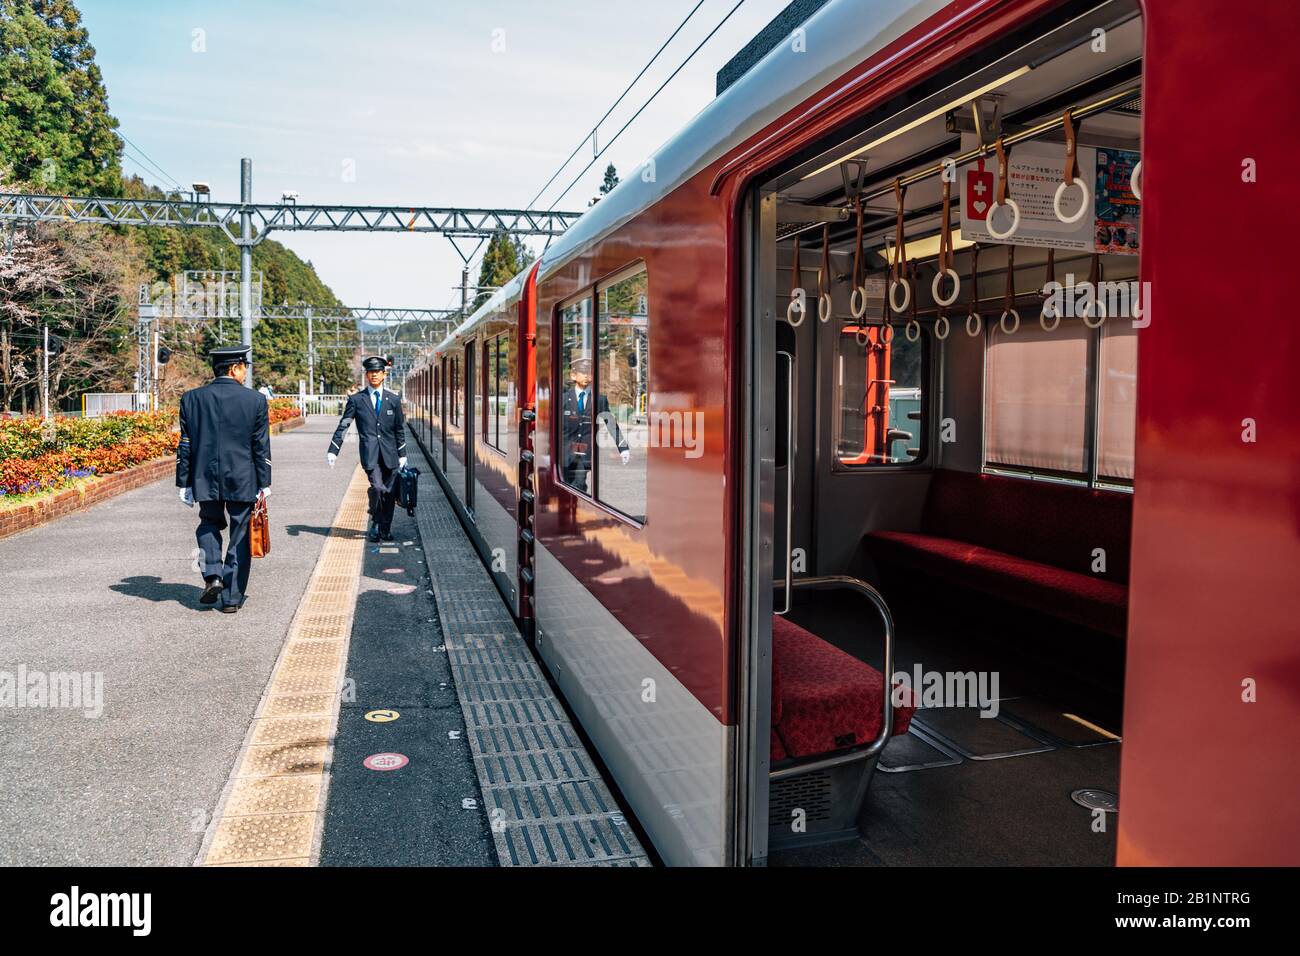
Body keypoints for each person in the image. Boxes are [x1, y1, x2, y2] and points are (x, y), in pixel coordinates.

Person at [176, 345, 272, 613]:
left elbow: (185, 444)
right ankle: (231, 598)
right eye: (245, 367)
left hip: (204, 477)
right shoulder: (254, 400)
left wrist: (183, 481)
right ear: (234, 368)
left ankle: (213, 576)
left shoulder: (191, 399)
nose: (246, 372)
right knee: (240, 533)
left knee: (208, 524)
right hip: (243, 477)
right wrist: (265, 482)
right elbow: (260, 446)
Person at [327, 356, 408, 542]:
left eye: (377, 372)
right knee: (378, 489)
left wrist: (403, 454)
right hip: (370, 456)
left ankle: (385, 529)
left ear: (384, 374)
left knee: (389, 493)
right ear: (366, 375)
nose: (374, 375)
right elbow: (344, 424)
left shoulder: (394, 400)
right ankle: (376, 523)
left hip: (391, 455)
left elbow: (399, 429)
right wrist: (333, 449)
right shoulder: (357, 400)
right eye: (371, 372)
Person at [560, 357, 629, 492]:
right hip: (563, 452)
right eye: (582, 372)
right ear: (573, 375)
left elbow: (611, 424)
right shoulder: (563, 398)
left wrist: (623, 448)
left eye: (589, 372)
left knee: (579, 485)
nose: (586, 375)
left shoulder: (599, 399)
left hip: (585, 453)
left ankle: (577, 510)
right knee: (564, 486)